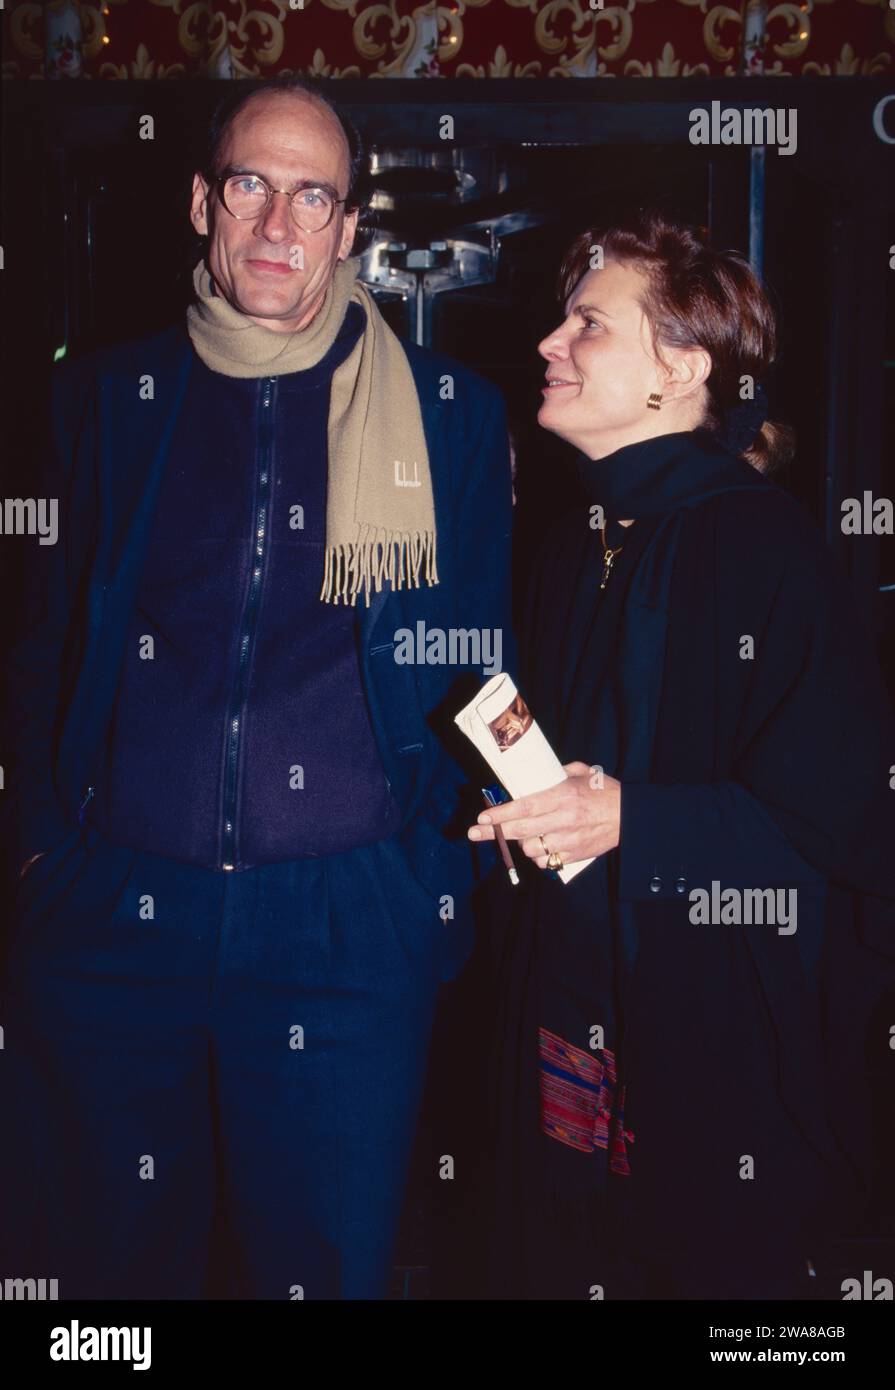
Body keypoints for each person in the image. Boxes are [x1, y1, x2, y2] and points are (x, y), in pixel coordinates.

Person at [0, 76, 513, 1300]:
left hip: (348, 920)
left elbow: (476, 659)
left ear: (349, 228)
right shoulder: (102, 400)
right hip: (115, 907)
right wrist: (40, 856)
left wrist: (430, 885)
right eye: (250, 185)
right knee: (105, 1280)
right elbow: (42, 643)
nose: (279, 225)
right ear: (201, 202)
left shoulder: (450, 416)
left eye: (313, 197)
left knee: (320, 1270)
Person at [469, 211, 895, 1300]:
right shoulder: (575, 542)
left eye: (588, 325)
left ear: (679, 369)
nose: (549, 343)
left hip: (715, 1033)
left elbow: (845, 824)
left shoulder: (766, 546)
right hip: (570, 1005)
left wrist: (632, 819)